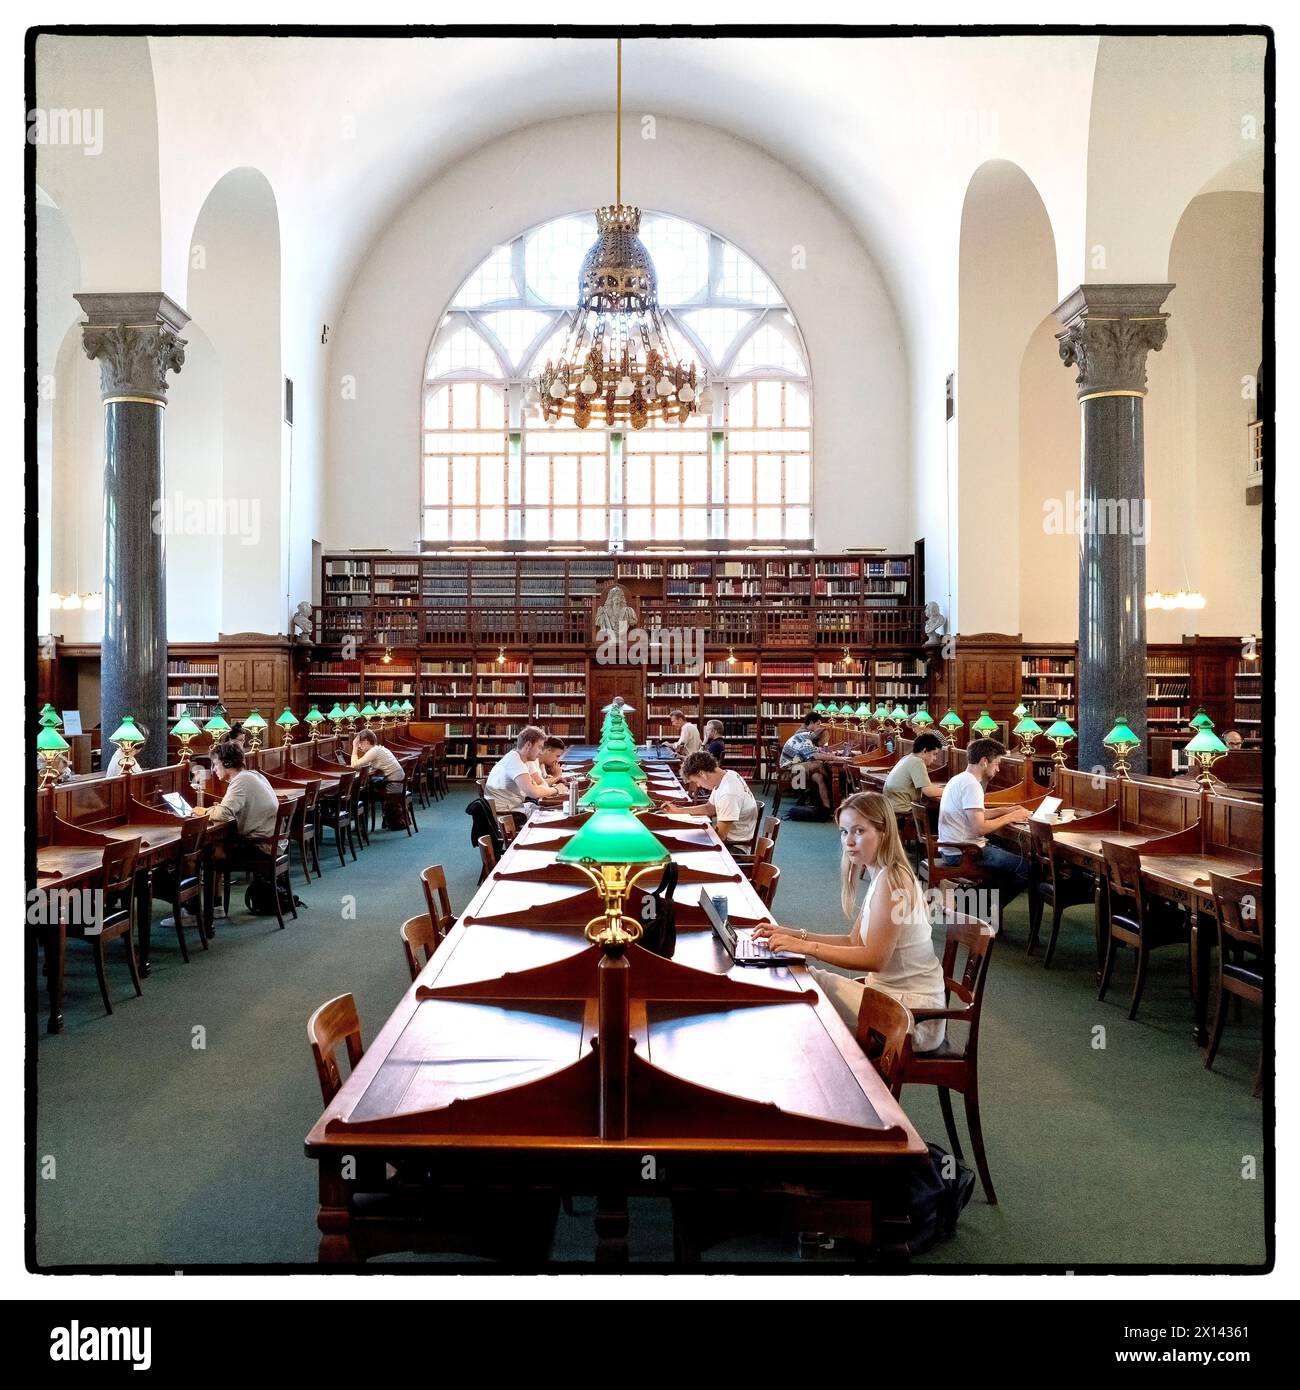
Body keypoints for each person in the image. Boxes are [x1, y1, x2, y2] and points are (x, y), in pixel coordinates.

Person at [754, 791, 946, 1052]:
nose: (849, 841)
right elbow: (853, 941)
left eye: (858, 831)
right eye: (844, 832)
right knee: (799, 980)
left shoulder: (892, 881)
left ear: (884, 833)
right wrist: (791, 934)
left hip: (911, 1017)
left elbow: (873, 959)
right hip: (892, 1000)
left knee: (801, 987)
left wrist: (805, 948)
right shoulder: (883, 873)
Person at [936, 737, 1031, 904]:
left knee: (1008, 863)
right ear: (984, 761)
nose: (999, 769)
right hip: (964, 852)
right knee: (1026, 868)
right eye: (997, 763)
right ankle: (981, 907)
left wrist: (1008, 810)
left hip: (951, 848)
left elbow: (978, 814)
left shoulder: (959, 779)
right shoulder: (972, 785)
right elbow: (979, 828)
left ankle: (972, 901)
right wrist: (1012, 817)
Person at [207, 740, 287, 853]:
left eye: (215, 764)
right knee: (218, 845)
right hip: (274, 843)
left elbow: (222, 814)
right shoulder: (254, 775)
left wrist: (204, 812)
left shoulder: (241, 780)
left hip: (262, 845)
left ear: (227, 763)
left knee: (209, 850)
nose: (213, 769)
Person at [676, 750, 759, 848]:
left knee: (683, 848)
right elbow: (709, 808)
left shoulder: (729, 793)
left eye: (696, 781)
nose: (698, 785)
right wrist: (679, 811)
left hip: (735, 846)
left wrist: (691, 834)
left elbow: (721, 836)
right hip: (730, 839)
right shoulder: (727, 775)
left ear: (702, 774)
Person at [485, 726, 561, 815]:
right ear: (528, 745)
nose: (541, 752)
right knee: (550, 815)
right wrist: (557, 790)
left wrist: (538, 788)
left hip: (515, 807)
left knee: (553, 811)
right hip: (505, 813)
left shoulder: (523, 759)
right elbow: (534, 793)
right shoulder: (515, 761)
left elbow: (540, 785)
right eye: (539, 747)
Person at [779, 712, 843, 814]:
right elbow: (814, 756)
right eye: (818, 724)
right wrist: (835, 757)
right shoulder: (803, 736)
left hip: (799, 765)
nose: (819, 727)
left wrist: (830, 753)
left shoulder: (807, 736)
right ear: (812, 723)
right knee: (819, 764)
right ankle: (833, 791)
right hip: (790, 769)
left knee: (819, 777)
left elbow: (816, 751)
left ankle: (827, 808)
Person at [883, 731, 946, 812]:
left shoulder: (907, 758)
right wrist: (950, 790)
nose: (935, 758)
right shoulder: (917, 762)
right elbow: (928, 791)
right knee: (937, 810)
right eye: (934, 754)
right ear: (925, 751)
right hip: (903, 809)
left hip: (891, 807)